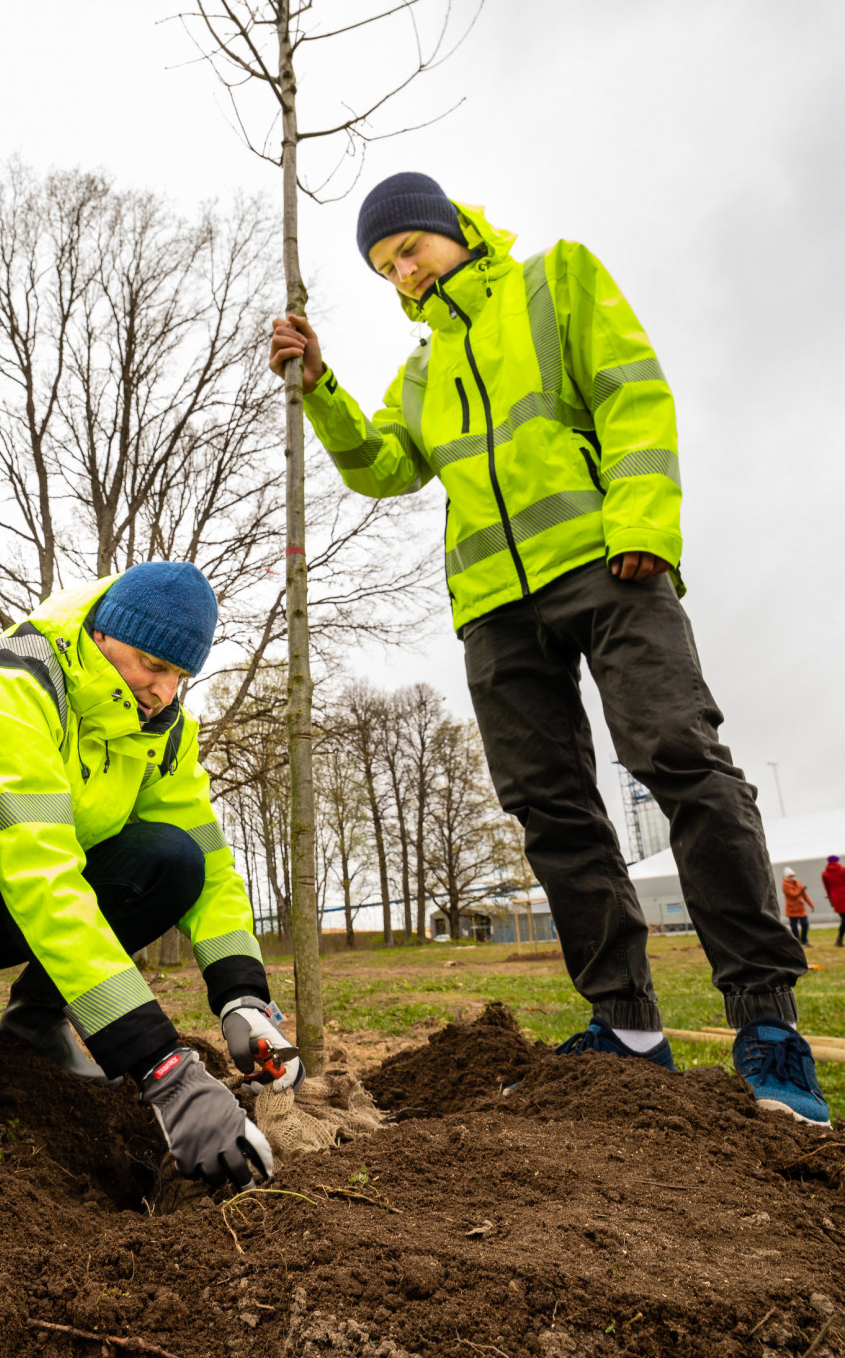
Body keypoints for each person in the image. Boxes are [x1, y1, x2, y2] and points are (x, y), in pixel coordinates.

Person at [270, 170, 829, 1124]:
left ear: (450, 229)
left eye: (409, 250)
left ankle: (767, 1026)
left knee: (680, 758)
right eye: (383, 269)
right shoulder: (419, 371)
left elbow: (632, 393)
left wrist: (643, 517)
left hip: (608, 565)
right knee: (551, 808)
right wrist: (320, 387)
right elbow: (383, 468)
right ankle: (628, 1026)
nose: (402, 273)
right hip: (493, 604)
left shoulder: (556, 280)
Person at [0, 562, 301, 1185]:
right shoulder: (11, 686)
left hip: (0, 903)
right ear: (103, 635)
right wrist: (161, 1065)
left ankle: (35, 1021)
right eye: (152, 666)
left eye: (179, 675)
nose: (162, 691)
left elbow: (208, 863)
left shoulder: (162, 731)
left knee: (173, 856)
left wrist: (242, 993)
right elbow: (41, 871)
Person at [782, 869, 814, 945]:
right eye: (790, 876)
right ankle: (797, 941)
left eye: (793, 876)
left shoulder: (798, 884)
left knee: (805, 924)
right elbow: (793, 895)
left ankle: (804, 940)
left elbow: (804, 895)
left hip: (801, 908)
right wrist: (801, 891)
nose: (792, 878)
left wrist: (811, 904)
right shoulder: (785, 886)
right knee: (794, 927)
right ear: (786, 877)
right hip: (791, 909)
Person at [823, 855, 845, 948]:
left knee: (844, 919)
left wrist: (831, 901)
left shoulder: (825, 874)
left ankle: (839, 939)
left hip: (835, 898)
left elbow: (827, 888)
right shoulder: (843, 870)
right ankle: (839, 939)